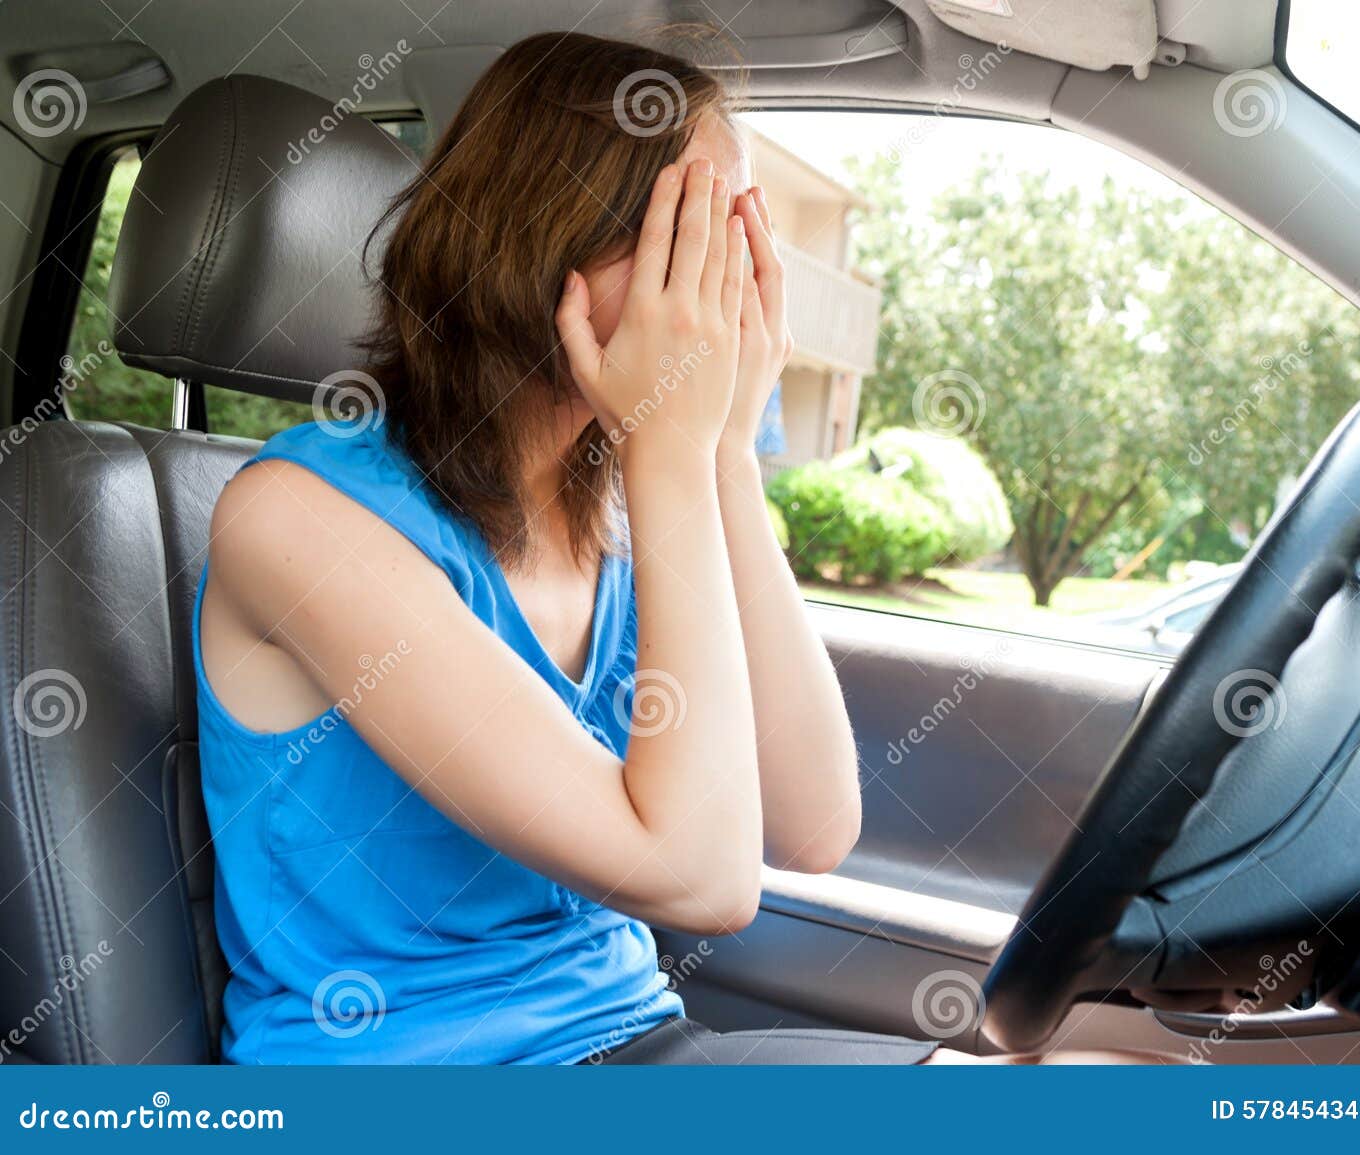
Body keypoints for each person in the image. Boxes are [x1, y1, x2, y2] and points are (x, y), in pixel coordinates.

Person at [197, 30, 1172, 1066]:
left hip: (633, 1044)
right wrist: (668, 448)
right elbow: (706, 886)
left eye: (745, 242)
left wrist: (723, 457)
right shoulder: (295, 522)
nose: (738, 284)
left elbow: (812, 824)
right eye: (699, 236)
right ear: (548, 246)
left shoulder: (619, 503)